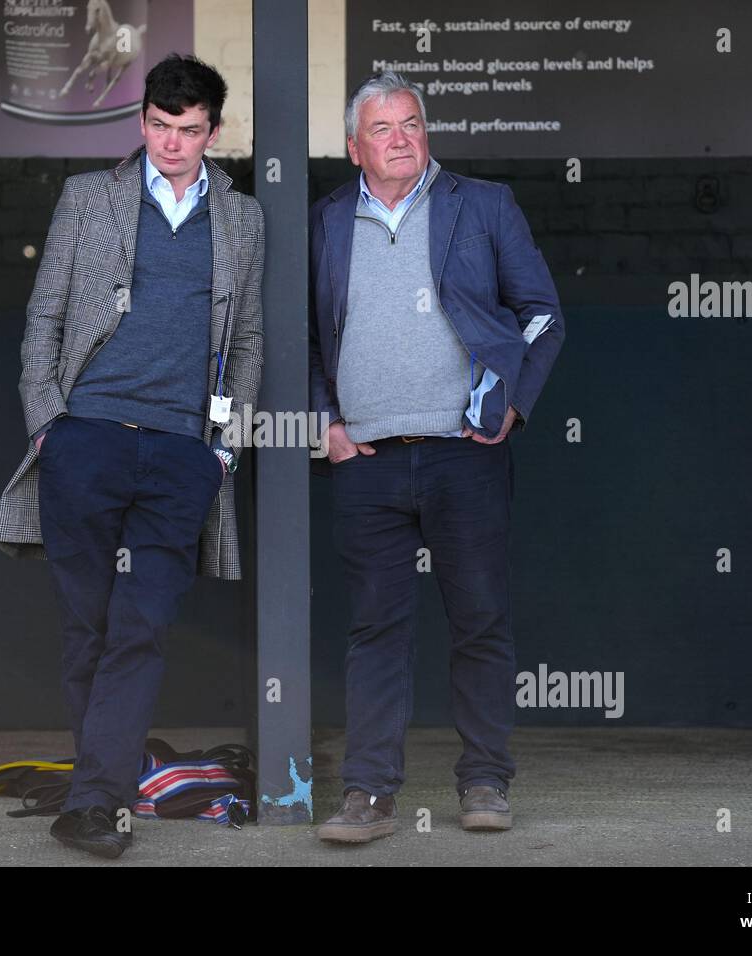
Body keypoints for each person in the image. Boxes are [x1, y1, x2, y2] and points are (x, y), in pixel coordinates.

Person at [0, 53, 264, 858]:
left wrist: (223, 451)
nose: (172, 143)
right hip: (88, 440)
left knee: (141, 628)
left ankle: (95, 801)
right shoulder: (88, 198)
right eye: (159, 126)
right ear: (141, 122)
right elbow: (43, 321)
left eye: (189, 130)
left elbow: (245, 343)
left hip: (181, 453)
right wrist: (49, 426)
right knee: (89, 628)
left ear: (213, 132)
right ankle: (99, 796)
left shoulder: (242, 221)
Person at [309, 71, 564, 843]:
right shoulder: (325, 222)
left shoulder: (482, 205)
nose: (401, 138)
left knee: (480, 622)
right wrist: (327, 424)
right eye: (383, 128)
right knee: (375, 629)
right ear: (355, 147)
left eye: (412, 124)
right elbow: (301, 337)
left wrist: (512, 405)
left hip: (465, 452)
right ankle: (369, 794)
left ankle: (485, 781)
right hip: (367, 460)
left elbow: (543, 315)